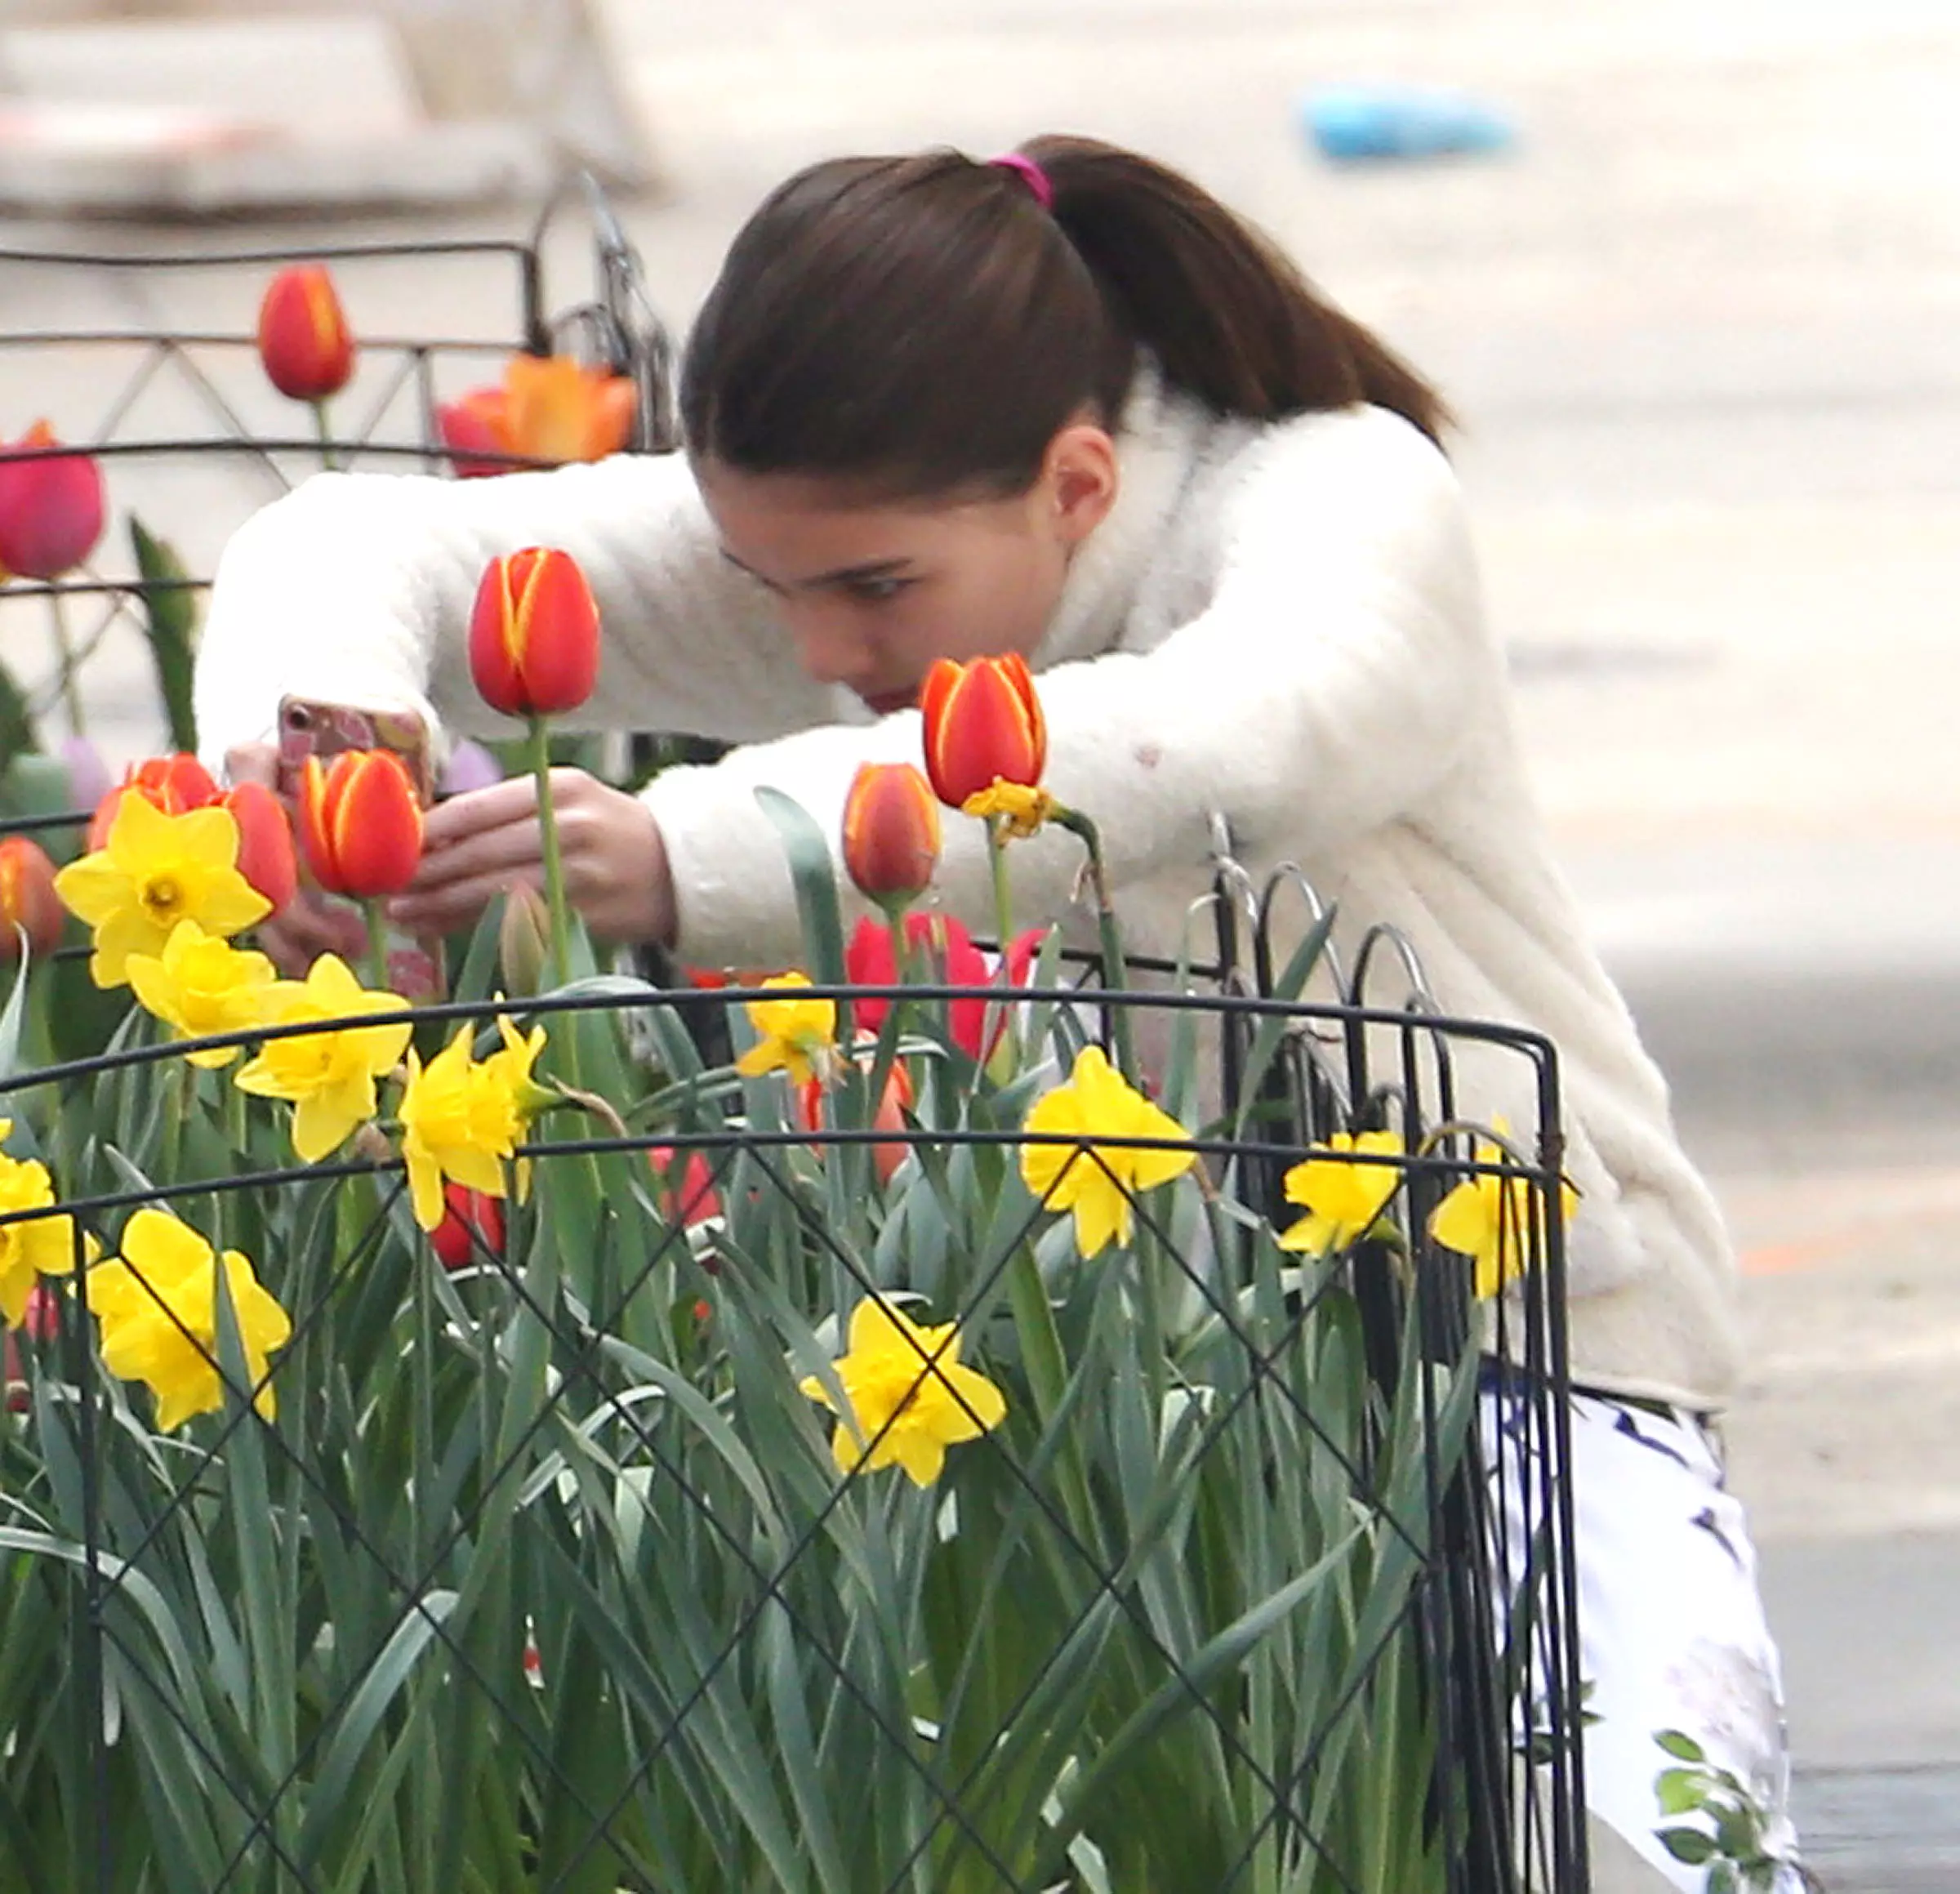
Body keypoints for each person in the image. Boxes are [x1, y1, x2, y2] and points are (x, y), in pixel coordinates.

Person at [194, 135, 1802, 1888]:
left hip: (1521, 1340)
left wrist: (686, 846)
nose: (815, 648)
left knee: (1647, 1856)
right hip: (1135, 1381)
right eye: (766, 584)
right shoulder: (874, 553)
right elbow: (355, 539)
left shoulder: (1340, 505)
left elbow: (1213, 748)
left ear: (1081, 482)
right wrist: (330, 738)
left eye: (868, 591)